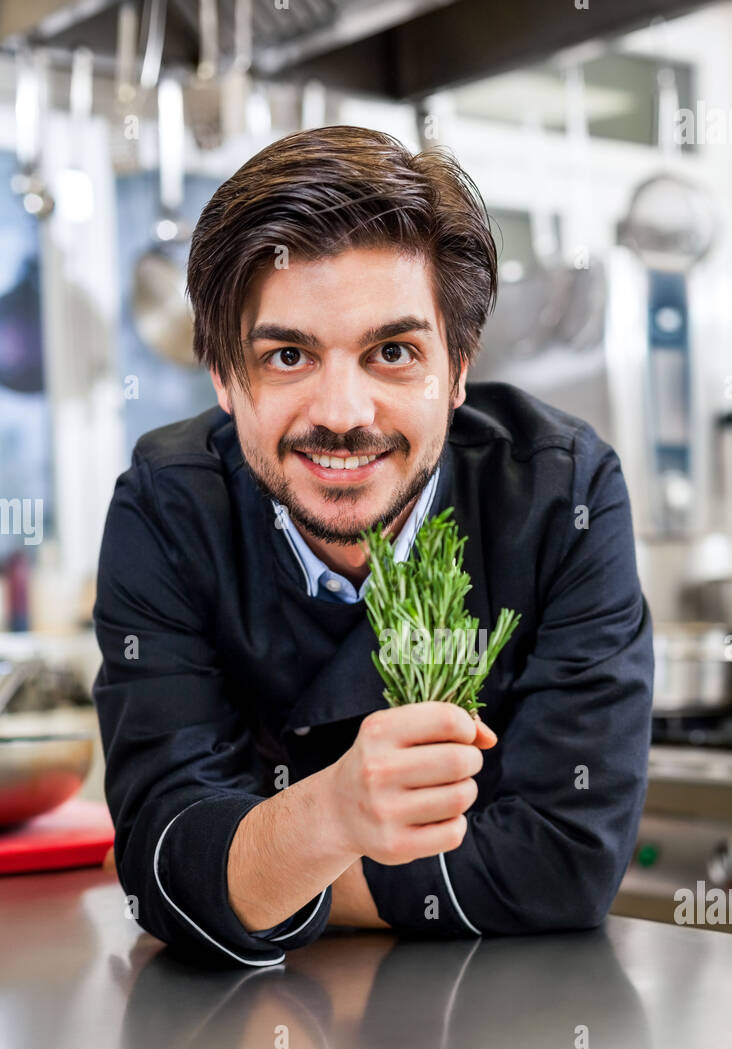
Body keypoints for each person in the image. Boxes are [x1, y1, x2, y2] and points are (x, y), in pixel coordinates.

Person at [92, 125, 653, 970]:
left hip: (505, 1038)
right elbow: (163, 868)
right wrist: (333, 816)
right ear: (222, 379)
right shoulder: (168, 509)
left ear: (458, 370)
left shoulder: (560, 494)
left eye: (393, 352)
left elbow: (565, 864)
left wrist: (270, 866)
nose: (343, 413)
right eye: (287, 355)